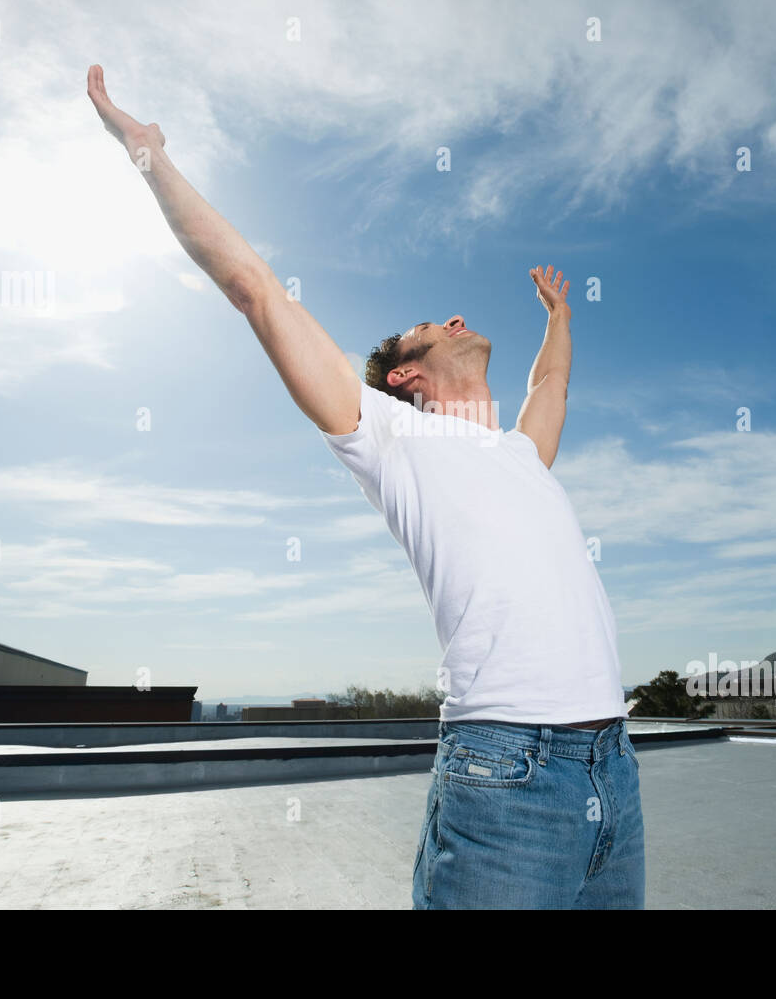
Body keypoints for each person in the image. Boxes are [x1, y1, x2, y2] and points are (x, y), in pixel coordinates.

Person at [87, 65, 645, 909]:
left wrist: (560, 317)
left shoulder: (520, 456)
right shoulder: (387, 433)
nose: (457, 318)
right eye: (434, 325)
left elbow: (551, 386)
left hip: (614, 768)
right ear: (408, 376)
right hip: (508, 773)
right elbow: (254, 290)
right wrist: (147, 155)